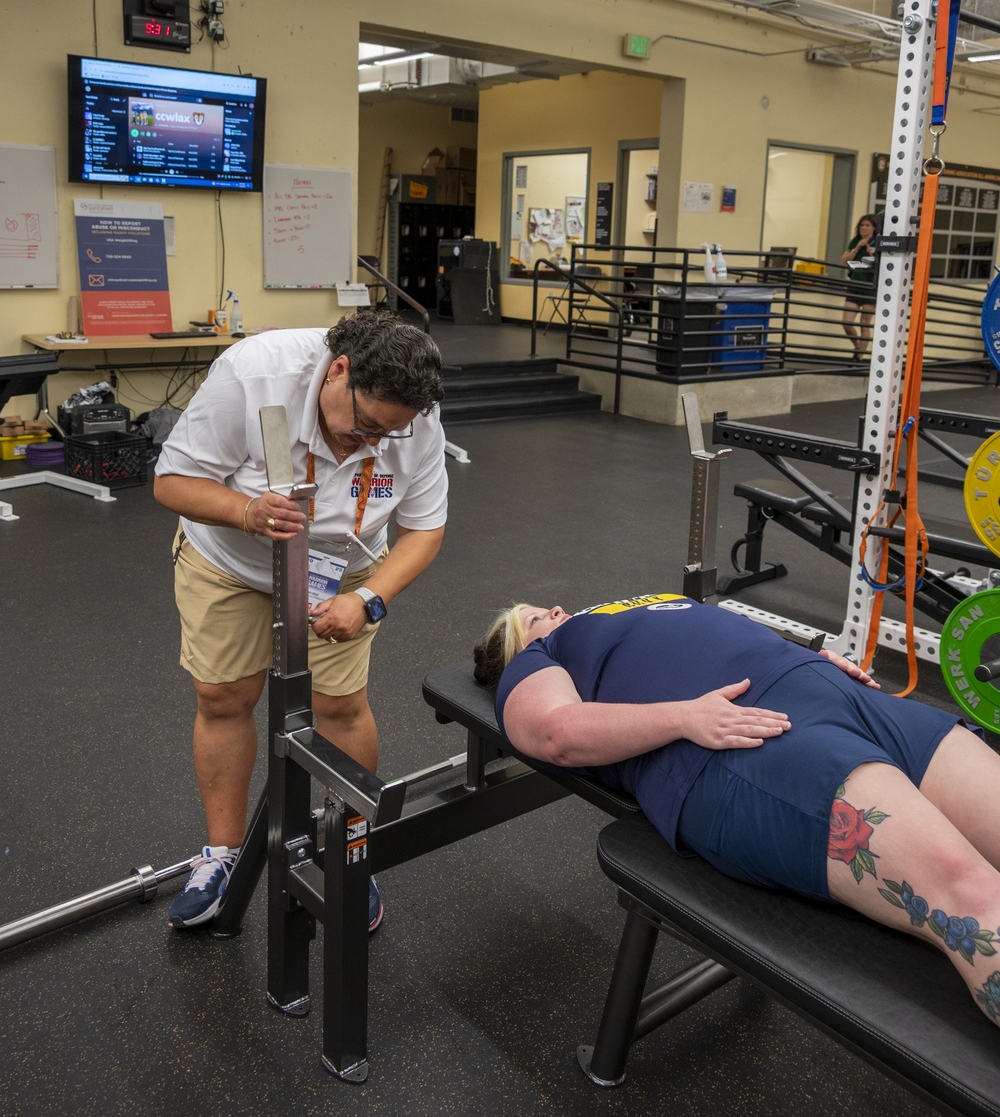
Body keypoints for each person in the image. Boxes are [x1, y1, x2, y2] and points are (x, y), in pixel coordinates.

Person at [473, 593, 1000, 1029]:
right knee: (972, 896)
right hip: (745, 741)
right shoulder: (536, 660)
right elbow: (554, 733)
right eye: (536, 618)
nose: (554, 611)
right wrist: (684, 717)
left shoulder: (639, 604)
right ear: (518, 645)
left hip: (831, 689)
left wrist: (806, 655)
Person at [154, 313, 448, 932]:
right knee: (224, 696)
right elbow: (172, 482)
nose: (370, 441)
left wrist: (369, 602)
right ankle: (220, 859)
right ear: (339, 371)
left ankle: (352, 857)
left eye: (386, 435)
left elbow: (424, 529)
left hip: (339, 574)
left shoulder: (412, 418)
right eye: (364, 425)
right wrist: (244, 510)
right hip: (229, 559)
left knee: (339, 707)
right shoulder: (252, 374)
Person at [840, 214, 878, 361]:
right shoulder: (855, 240)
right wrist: (857, 248)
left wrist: (868, 255)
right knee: (847, 323)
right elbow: (844, 260)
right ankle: (857, 347)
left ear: (874, 228)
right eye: (862, 225)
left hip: (869, 289)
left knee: (864, 324)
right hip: (854, 286)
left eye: (867, 225)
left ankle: (860, 357)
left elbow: (875, 264)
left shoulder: (877, 242)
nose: (864, 228)